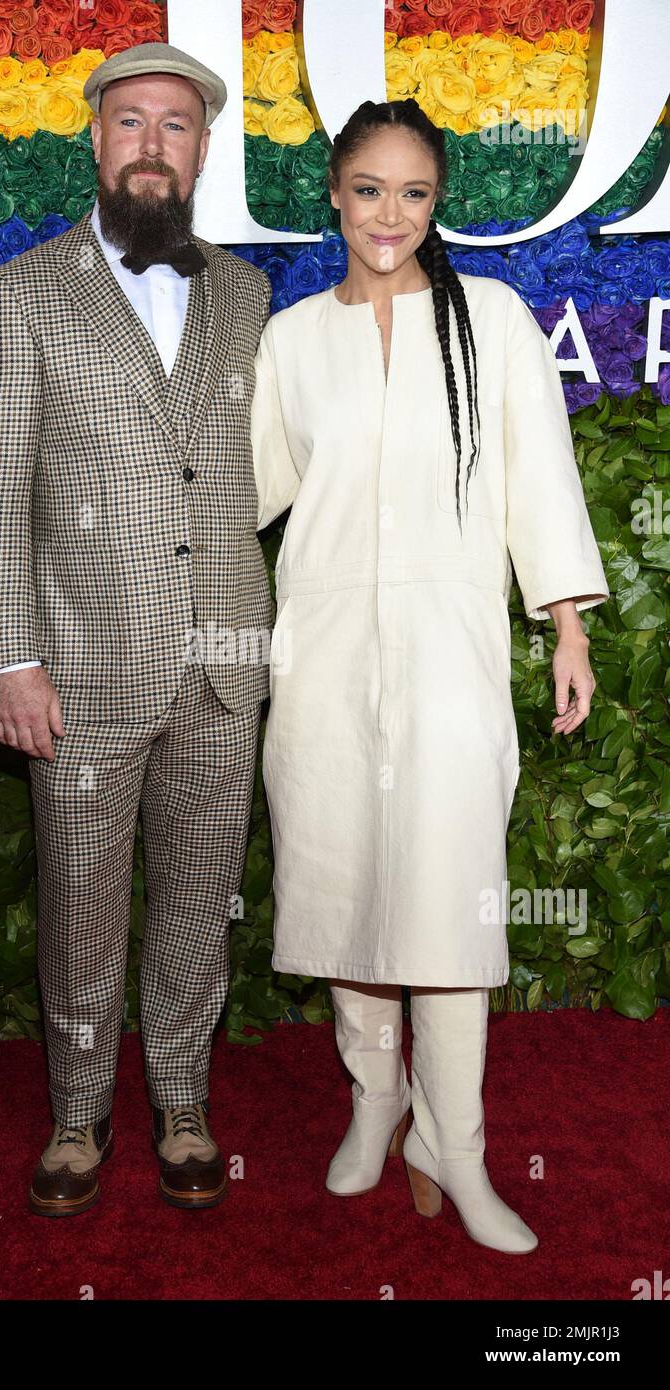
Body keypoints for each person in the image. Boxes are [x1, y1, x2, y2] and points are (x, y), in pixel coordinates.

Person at [250, 98, 610, 1254]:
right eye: (367, 190)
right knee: (344, 875)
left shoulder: (494, 319)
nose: (388, 215)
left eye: (412, 192)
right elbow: (241, 493)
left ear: (438, 199)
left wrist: (567, 625)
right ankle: (376, 1101)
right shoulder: (292, 338)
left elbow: (540, 478)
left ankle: (455, 1144)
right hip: (321, 651)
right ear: (336, 197)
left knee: (450, 893)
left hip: (452, 652)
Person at [0, 42, 274, 1215]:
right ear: (95, 140)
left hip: (224, 661)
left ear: (200, 150)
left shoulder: (249, 295)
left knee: (201, 899)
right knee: (83, 905)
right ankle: (79, 1111)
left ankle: (182, 1097)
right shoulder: (23, 292)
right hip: (79, 668)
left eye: (176, 125)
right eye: (131, 121)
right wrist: (14, 656)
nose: (153, 143)